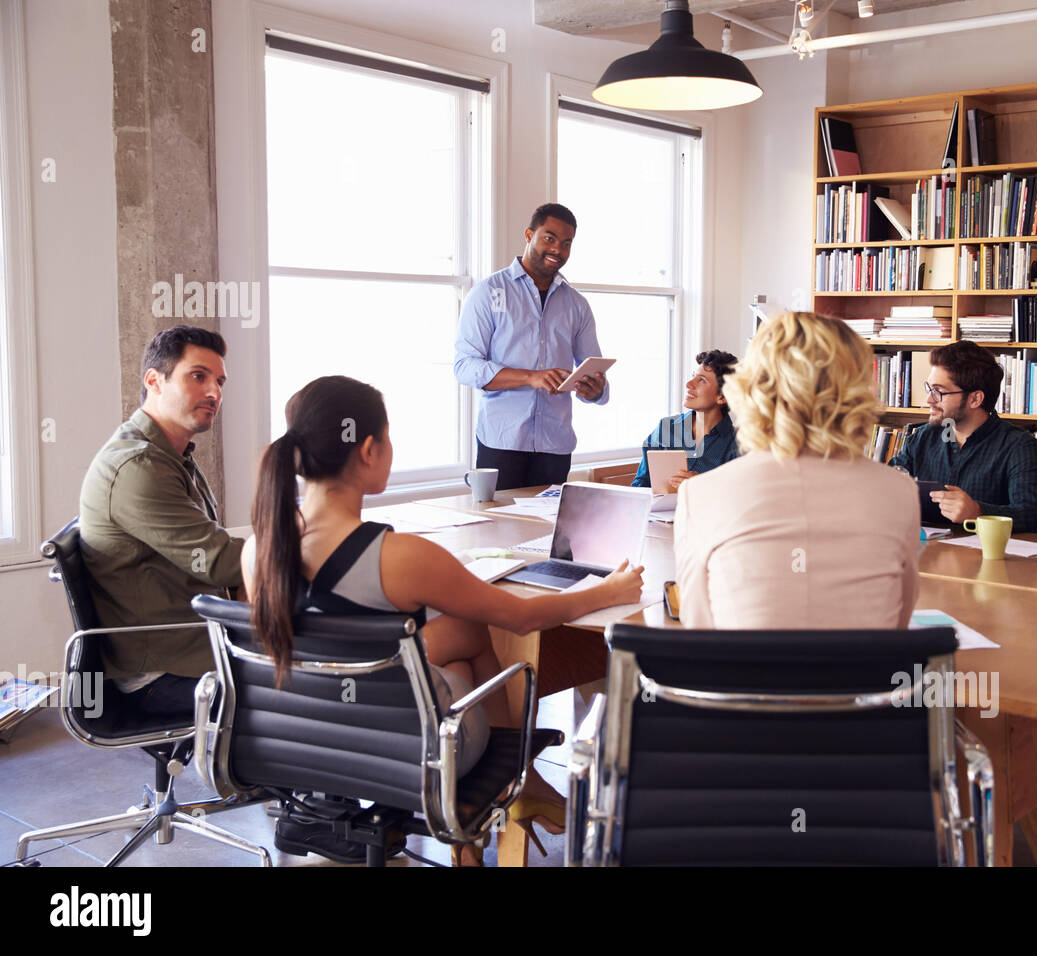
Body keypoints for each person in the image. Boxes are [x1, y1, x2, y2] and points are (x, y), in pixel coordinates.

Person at [244, 375, 644, 864]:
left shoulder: (259, 546)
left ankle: (488, 816)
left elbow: (323, 642)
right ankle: (501, 796)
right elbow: (519, 618)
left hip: (304, 740)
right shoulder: (399, 555)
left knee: (465, 631)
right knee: (465, 659)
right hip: (407, 749)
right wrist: (604, 590)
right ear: (369, 449)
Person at [674, 311, 919, 629]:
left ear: (754, 386)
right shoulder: (898, 491)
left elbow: (698, 625)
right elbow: (899, 620)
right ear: (856, 387)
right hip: (860, 679)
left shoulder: (700, 493)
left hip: (739, 678)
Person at [79, 325, 243, 716]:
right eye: (198, 376)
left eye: (219, 381)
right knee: (312, 692)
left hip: (193, 642)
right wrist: (309, 544)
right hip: (163, 672)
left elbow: (211, 553)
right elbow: (219, 562)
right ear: (154, 381)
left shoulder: (172, 455)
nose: (214, 392)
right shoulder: (139, 466)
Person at [454, 203, 608, 490]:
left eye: (566, 243)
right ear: (529, 235)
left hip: (556, 446)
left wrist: (595, 389)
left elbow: (594, 372)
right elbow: (465, 366)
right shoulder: (489, 292)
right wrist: (531, 377)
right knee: (498, 531)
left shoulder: (577, 304)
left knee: (548, 533)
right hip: (501, 441)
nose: (557, 250)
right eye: (549, 238)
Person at [889, 340, 1037, 534]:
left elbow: (1033, 518)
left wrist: (977, 512)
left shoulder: (1020, 447)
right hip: (925, 556)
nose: (928, 400)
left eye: (939, 392)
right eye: (929, 389)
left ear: (975, 399)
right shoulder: (923, 437)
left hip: (989, 560)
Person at [631, 349, 740, 491]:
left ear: (722, 397)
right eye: (693, 376)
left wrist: (702, 487)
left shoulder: (738, 444)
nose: (689, 384)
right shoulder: (667, 428)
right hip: (657, 513)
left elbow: (737, 500)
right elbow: (640, 485)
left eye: (701, 380)